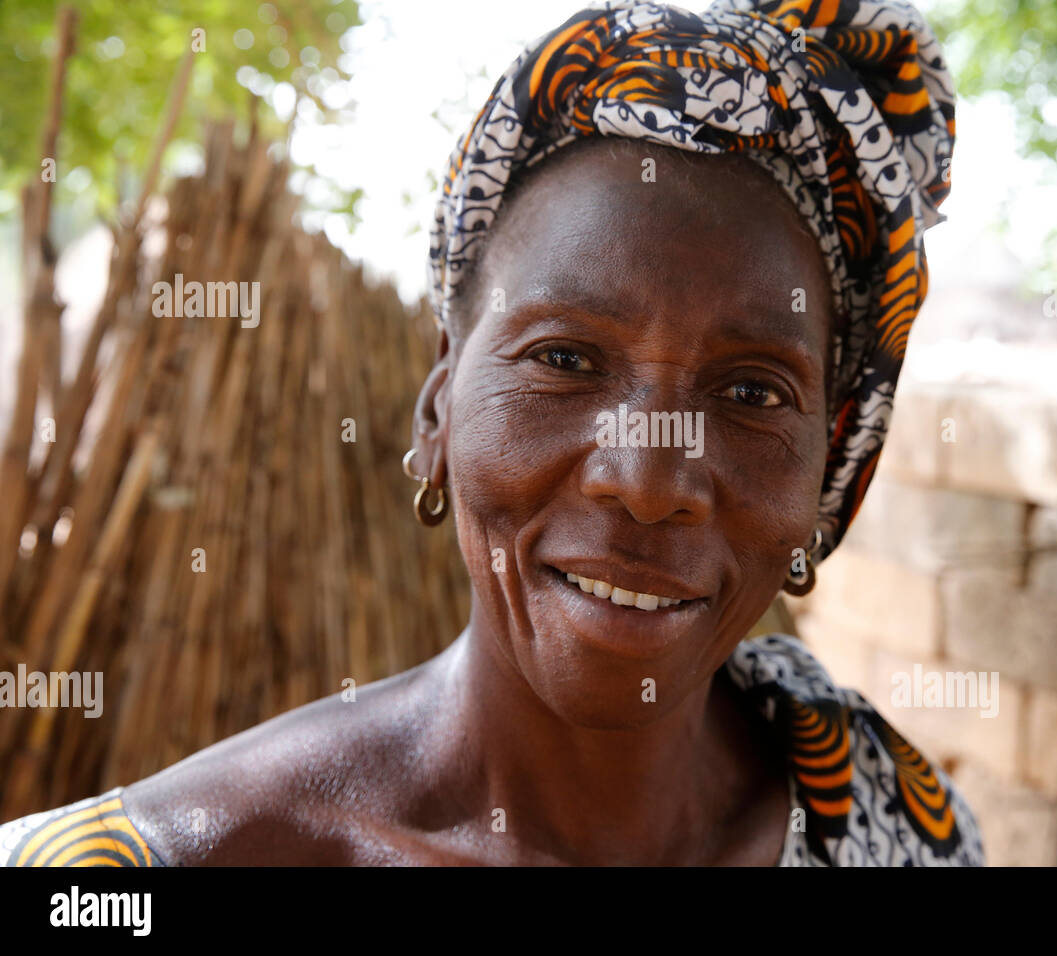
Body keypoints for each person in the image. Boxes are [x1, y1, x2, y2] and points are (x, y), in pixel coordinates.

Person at [1, 0, 982, 866]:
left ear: (829, 468)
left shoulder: (893, 826)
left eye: (753, 391)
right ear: (436, 406)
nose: (646, 480)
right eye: (564, 358)